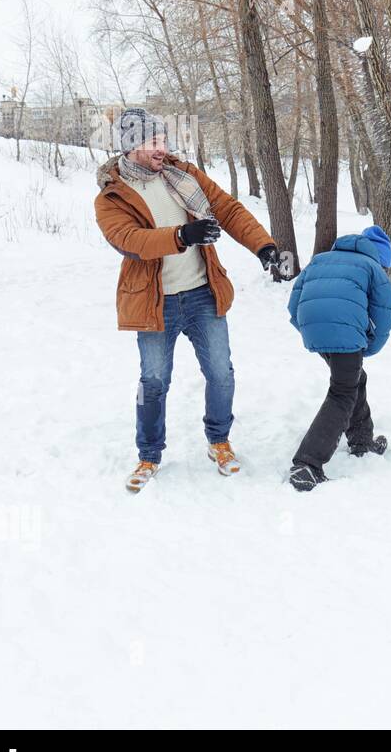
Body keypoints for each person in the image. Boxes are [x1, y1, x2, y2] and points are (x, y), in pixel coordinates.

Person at [94, 107, 279, 493]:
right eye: (153, 142)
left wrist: (262, 246)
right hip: (153, 302)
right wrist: (181, 236)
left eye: (164, 140)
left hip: (202, 294)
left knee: (221, 374)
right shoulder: (111, 197)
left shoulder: (183, 176)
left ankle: (219, 441)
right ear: (131, 147)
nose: (162, 148)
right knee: (153, 381)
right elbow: (129, 241)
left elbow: (227, 208)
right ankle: (148, 454)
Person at [286, 225, 391, 492]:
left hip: (312, 326)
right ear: (382, 258)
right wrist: (367, 348)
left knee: (354, 378)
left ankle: (361, 440)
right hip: (344, 331)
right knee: (343, 392)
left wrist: (312, 331)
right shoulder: (373, 269)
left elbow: (293, 305)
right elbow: (383, 319)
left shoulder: (321, 259)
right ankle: (307, 464)